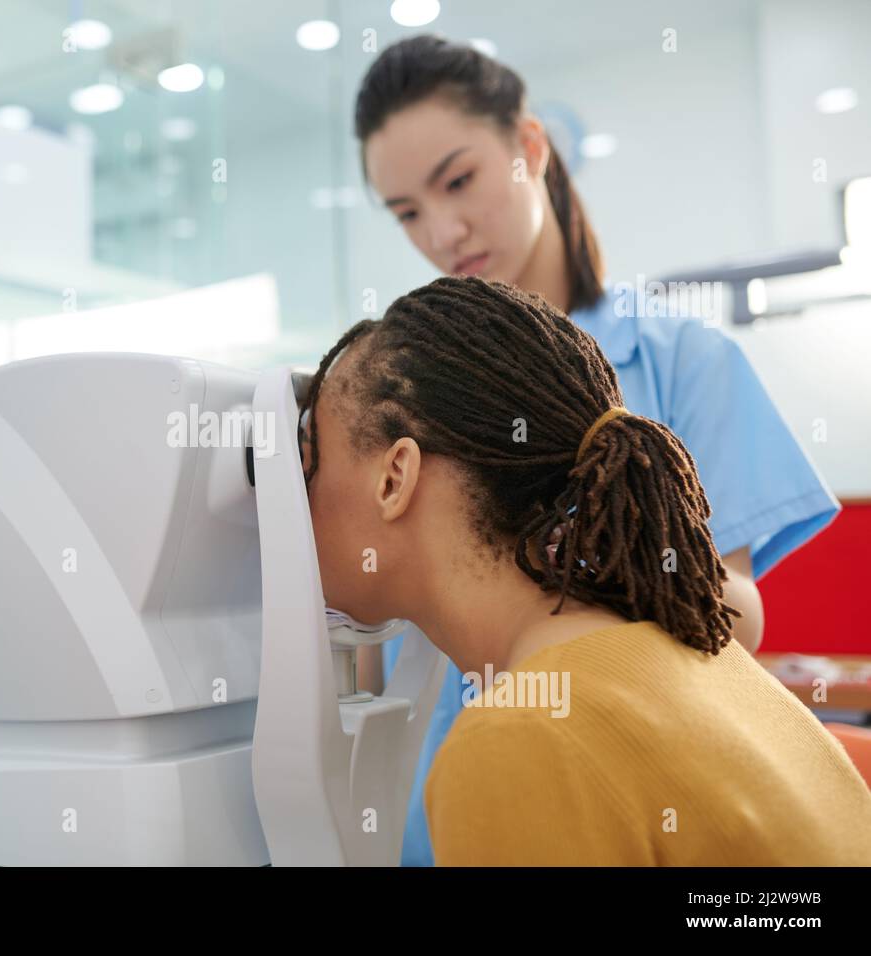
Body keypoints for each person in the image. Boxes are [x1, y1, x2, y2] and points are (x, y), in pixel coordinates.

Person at [352, 35, 839, 864]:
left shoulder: (682, 361)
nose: (443, 230)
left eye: (458, 180)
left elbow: (729, 612)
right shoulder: (402, 401)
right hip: (435, 825)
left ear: (529, 148)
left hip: (620, 816)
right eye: (406, 212)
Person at [299, 276, 871, 865]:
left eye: (312, 458)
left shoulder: (517, 745)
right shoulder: (699, 662)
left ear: (394, 479)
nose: (299, 493)